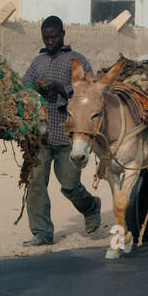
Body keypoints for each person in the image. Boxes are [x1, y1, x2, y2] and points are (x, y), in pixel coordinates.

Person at [21, 17, 102, 246]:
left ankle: (91, 206)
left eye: (54, 37)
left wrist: (62, 89)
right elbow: (23, 86)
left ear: (63, 34)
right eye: (46, 38)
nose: (49, 42)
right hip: (41, 135)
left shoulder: (76, 61)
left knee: (69, 186)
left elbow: (88, 92)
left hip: (69, 137)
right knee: (36, 183)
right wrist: (34, 87)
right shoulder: (38, 62)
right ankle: (42, 232)